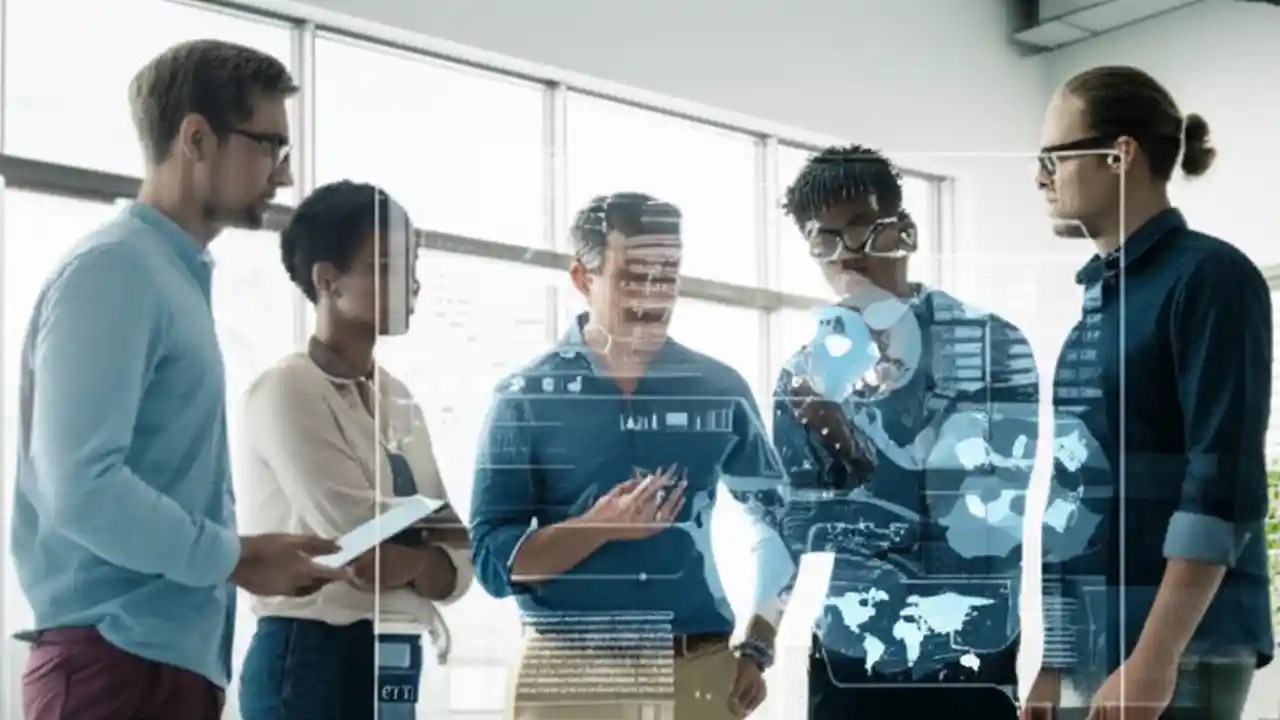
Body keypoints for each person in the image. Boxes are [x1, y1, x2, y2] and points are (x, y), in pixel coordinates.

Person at [10, 39, 343, 720]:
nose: (282, 177)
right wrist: (235, 557)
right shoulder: (115, 271)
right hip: (115, 665)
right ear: (196, 137)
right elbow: (81, 487)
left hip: (155, 665)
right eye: (269, 146)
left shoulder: (168, 277)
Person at [468, 192, 795, 720]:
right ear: (583, 277)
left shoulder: (720, 389)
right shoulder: (525, 396)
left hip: (699, 678)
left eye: (667, 275)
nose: (653, 295)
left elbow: (777, 524)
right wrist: (594, 527)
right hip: (567, 682)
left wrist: (759, 644)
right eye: (632, 276)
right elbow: (489, 559)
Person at [1026, 65, 1272, 720]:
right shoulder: (1098, 306)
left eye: (1054, 154)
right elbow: (1072, 497)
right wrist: (1056, 659)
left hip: (1182, 648)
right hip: (1096, 645)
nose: (1040, 175)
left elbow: (1220, 480)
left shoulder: (1211, 277)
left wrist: (1157, 655)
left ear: (1120, 153)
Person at [772, 145, 1040, 719]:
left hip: (967, 656)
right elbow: (798, 526)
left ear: (907, 233)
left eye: (866, 230)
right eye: (826, 240)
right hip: (851, 655)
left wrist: (848, 448)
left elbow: (975, 508)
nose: (850, 255)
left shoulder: (992, 344)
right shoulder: (803, 372)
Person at [235, 180, 475, 720]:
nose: (410, 284)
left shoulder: (398, 398)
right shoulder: (288, 388)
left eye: (411, 266)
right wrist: (429, 545)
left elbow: (461, 555)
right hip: (313, 651)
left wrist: (415, 558)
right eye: (387, 266)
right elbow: (356, 534)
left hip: (394, 650)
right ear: (327, 280)